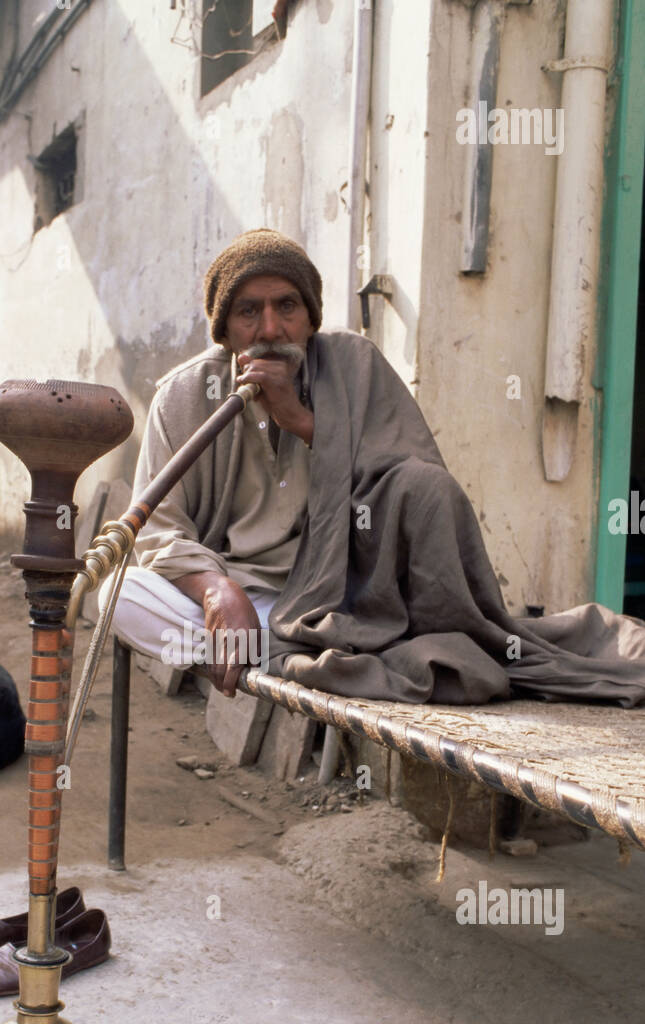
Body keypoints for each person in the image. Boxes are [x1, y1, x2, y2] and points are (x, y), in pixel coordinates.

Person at [108, 228, 645, 707]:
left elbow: (408, 480)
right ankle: (262, 642)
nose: (270, 328)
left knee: (425, 486)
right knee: (120, 595)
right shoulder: (183, 397)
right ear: (224, 329)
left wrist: (303, 421)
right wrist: (217, 592)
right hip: (243, 595)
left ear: (311, 318)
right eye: (249, 311)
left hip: (349, 599)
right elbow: (157, 531)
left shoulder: (355, 365)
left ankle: (287, 650)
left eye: (287, 306)